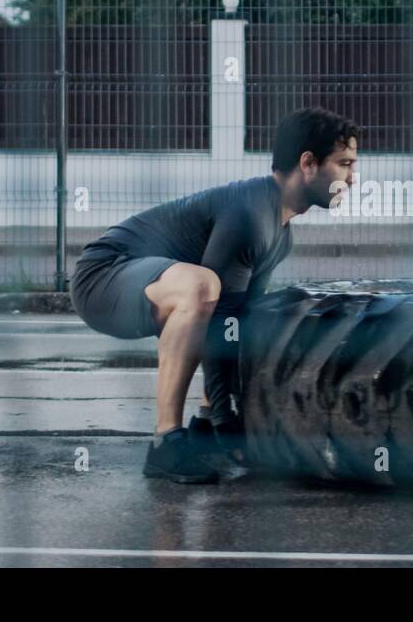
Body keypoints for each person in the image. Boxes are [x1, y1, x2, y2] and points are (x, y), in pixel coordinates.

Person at [70, 107, 361, 483]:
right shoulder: (251, 214)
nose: (352, 179)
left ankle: (203, 425)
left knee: (244, 311)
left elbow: (234, 324)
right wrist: (229, 419)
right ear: (308, 163)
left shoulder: (279, 232)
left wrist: (220, 418)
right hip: (103, 276)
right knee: (203, 287)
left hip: (144, 284)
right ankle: (166, 443)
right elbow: (219, 316)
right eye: (345, 164)